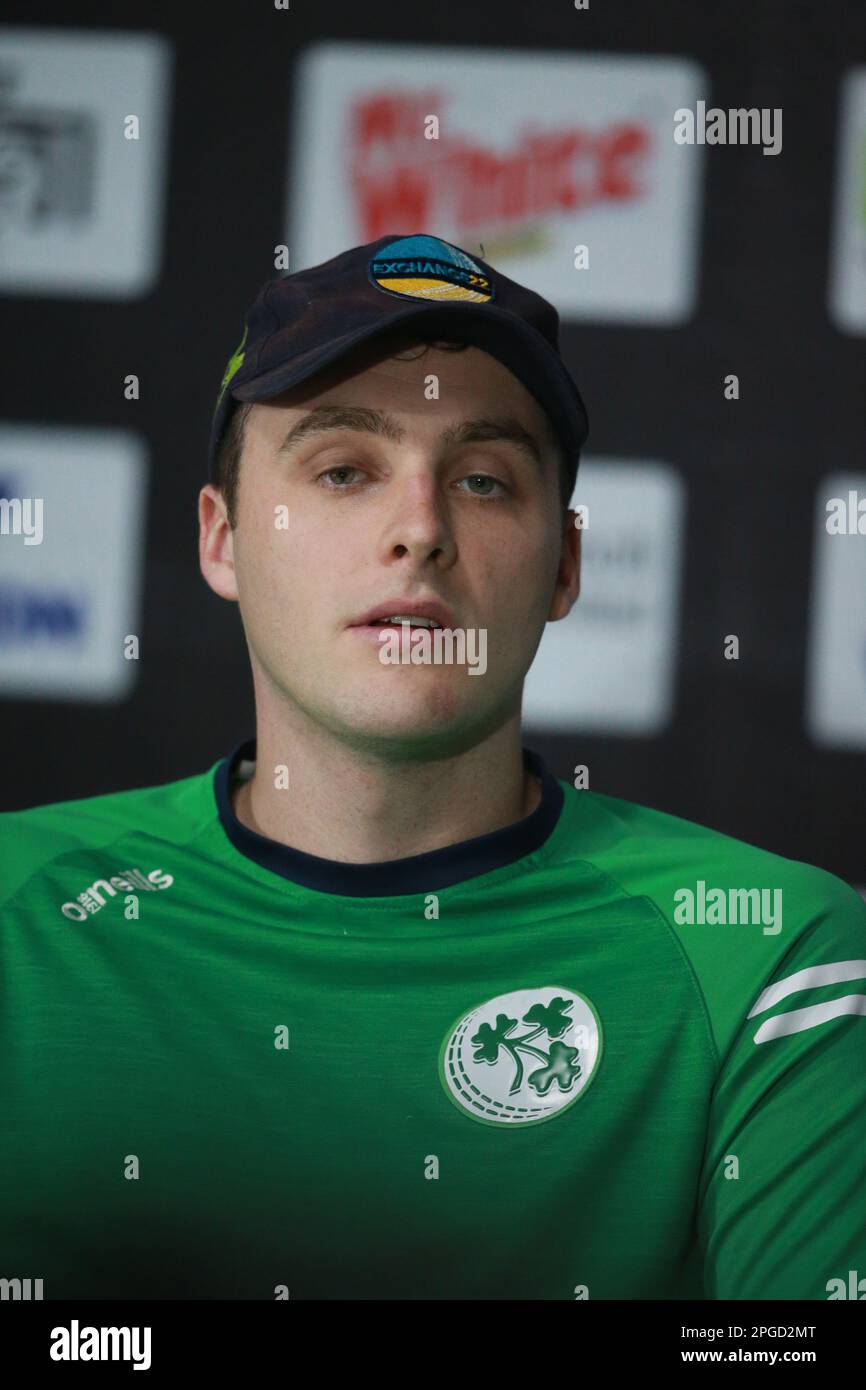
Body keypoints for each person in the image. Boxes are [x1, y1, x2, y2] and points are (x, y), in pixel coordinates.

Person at [1, 233, 864, 1301]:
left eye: (484, 479)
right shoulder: (16, 915)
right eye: (343, 469)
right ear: (221, 540)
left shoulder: (768, 953)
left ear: (564, 564)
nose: (418, 528)